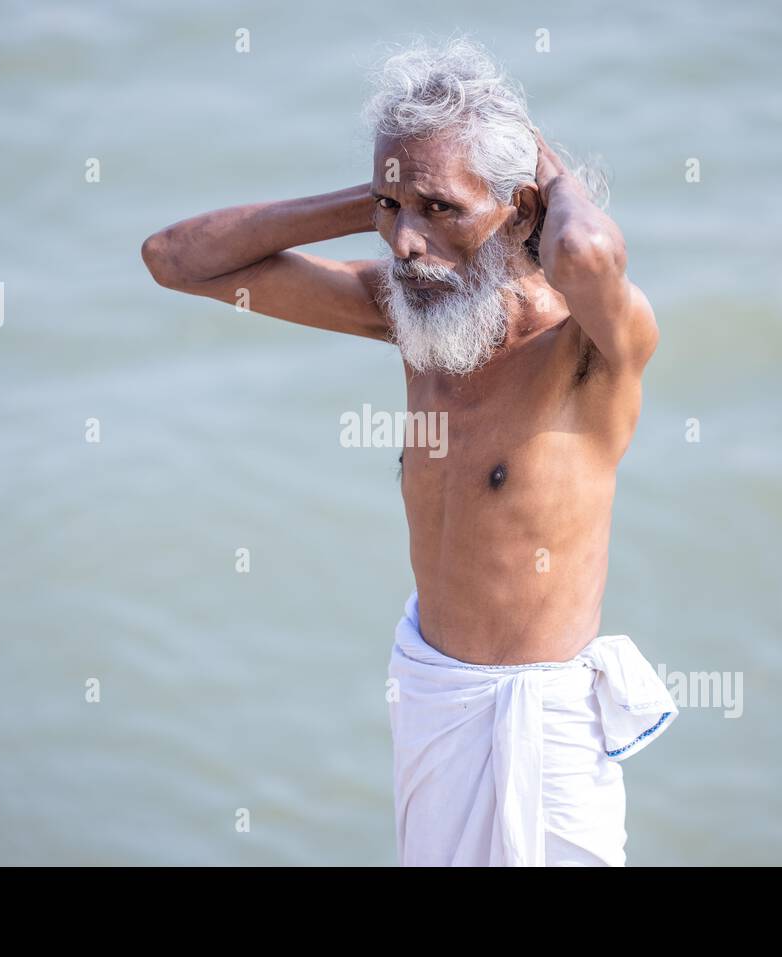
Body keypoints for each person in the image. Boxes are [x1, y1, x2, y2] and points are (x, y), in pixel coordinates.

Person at [142, 36, 677, 866]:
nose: (404, 243)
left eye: (441, 210)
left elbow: (588, 254)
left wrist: (554, 177)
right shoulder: (413, 316)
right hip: (431, 694)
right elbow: (174, 259)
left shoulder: (592, 351)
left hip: (544, 728)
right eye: (393, 213)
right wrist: (378, 198)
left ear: (522, 210)